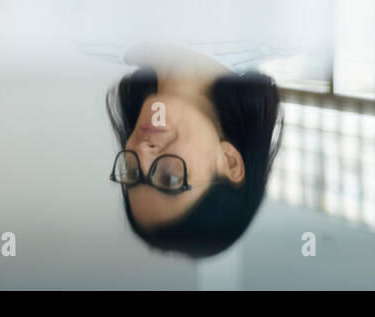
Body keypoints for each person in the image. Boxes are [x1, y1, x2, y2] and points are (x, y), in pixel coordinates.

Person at [106, 46, 281, 258]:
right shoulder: (279, 36)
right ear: (230, 161)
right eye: (169, 177)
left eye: (132, 172)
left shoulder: (94, 40)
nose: (142, 151)